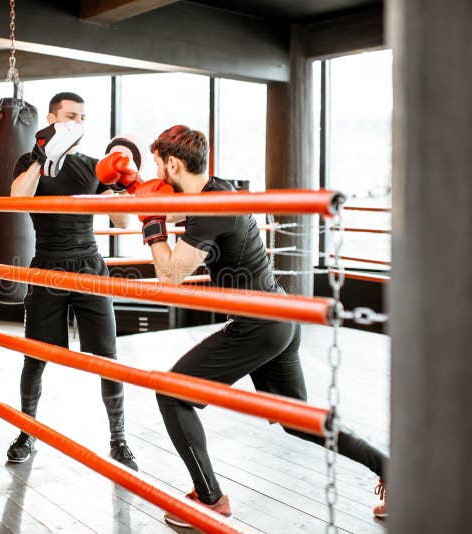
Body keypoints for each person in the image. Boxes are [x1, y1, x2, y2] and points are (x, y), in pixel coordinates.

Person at [137, 125, 388, 526]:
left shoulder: (209, 209)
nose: (156, 175)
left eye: (156, 166)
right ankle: (390, 468)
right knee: (298, 422)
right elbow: (166, 207)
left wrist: (150, 223)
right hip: (280, 318)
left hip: (257, 325)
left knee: (171, 393)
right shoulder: (217, 191)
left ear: (172, 163)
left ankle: (210, 498)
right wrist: (133, 191)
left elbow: (170, 276)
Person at [6, 92, 138, 470]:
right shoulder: (28, 162)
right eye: (69, 116)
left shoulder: (94, 167)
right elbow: (17, 201)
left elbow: (123, 223)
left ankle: (119, 440)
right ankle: (26, 432)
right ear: (50, 119)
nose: (76, 123)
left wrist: (124, 185)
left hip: (90, 267)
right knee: (36, 355)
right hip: (47, 266)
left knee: (108, 358)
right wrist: (41, 157)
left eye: (82, 117)